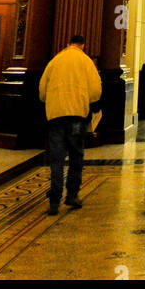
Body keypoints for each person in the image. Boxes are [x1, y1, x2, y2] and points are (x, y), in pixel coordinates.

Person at [38, 34, 102, 215]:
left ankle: (54, 201)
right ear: (83, 45)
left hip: (56, 116)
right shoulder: (86, 61)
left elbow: (42, 91)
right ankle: (72, 195)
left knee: (57, 158)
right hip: (76, 117)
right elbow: (96, 91)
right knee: (76, 156)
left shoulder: (55, 61)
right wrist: (86, 100)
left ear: (68, 44)